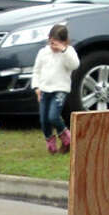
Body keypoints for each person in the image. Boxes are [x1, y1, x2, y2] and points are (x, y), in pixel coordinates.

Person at [32, 23, 79, 154]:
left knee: (53, 116)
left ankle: (66, 137)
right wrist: (36, 87)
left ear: (64, 42)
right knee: (44, 119)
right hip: (44, 89)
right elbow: (36, 71)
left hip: (60, 90)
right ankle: (50, 142)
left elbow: (74, 65)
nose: (53, 46)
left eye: (57, 43)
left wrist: (63, 50)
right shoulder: (43, 52)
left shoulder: (68, 52)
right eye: (52, 43)